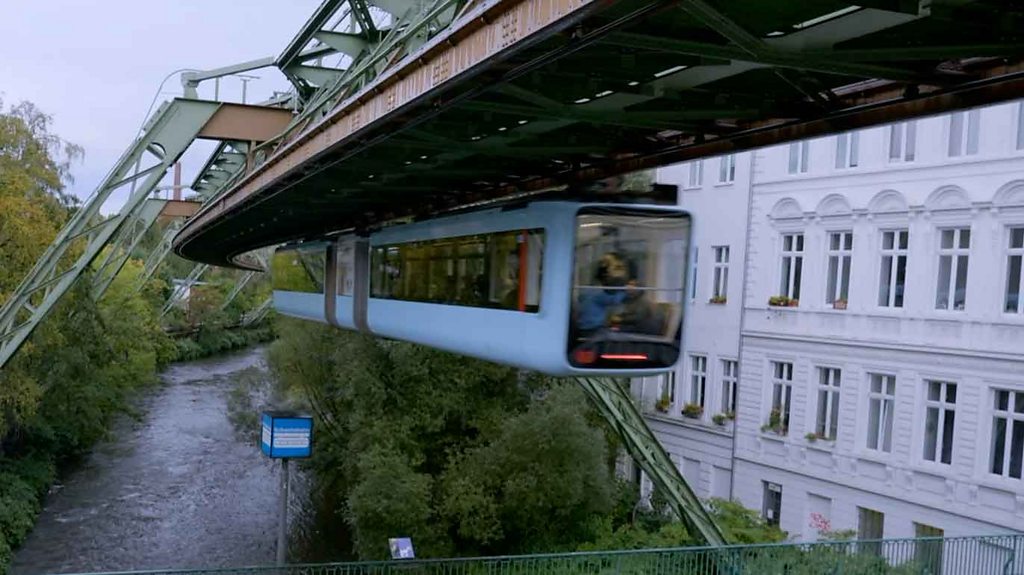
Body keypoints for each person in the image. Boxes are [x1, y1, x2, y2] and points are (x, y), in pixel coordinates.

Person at [576, 252, 632, 334]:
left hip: (586, 327)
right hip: (593, 328)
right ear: (605, 272)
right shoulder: (597, 291)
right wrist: (626, 292)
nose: (622, 273)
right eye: (617, 268)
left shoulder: (590, 289)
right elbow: (613, 300)